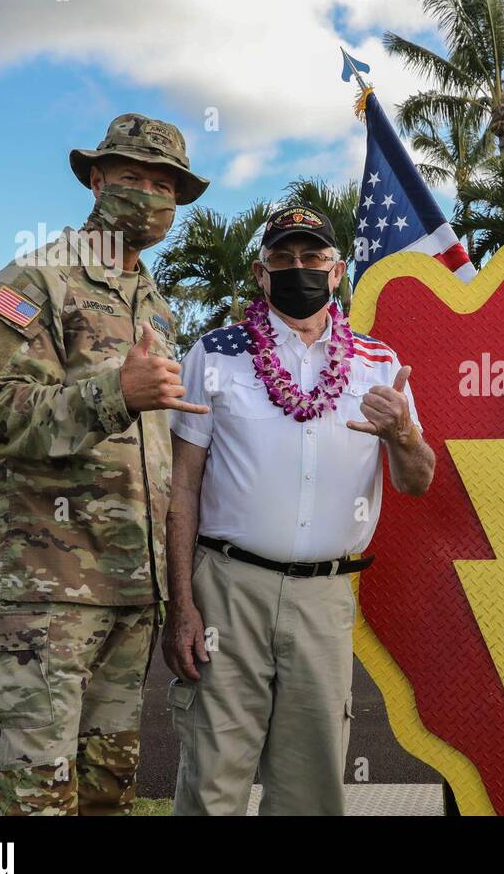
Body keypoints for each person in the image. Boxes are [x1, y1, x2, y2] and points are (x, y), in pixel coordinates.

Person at [0, 113, 210, 815]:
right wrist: (113, 395)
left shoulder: (156, 307)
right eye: (131, 177)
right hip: (49, 588)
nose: (149, 196)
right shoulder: (36, 280)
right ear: (96, 180)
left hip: (132, 591)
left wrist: (174, 592)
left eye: (165, 185)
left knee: (106, 793)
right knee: (34, 795)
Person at [163, 204, 435, 815]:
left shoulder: (379, 362)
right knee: (212, 778)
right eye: (283, 259)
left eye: (312, 258)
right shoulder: (215, 354)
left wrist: (404, 434)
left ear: (336, 272)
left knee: (311, 789)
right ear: (261, 275)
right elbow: (181, 488)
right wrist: (179, 604)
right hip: (227, 590)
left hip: (325, 596)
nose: (298, 269)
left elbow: (417, 483)